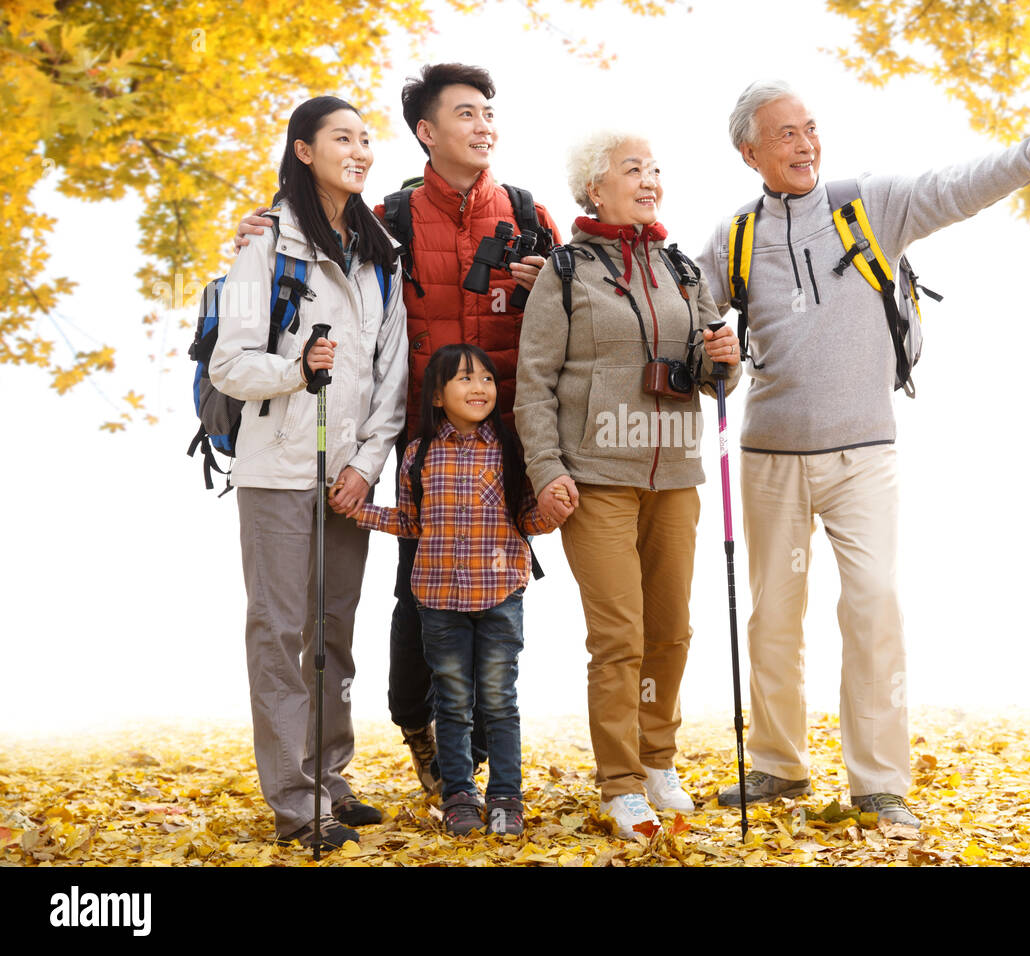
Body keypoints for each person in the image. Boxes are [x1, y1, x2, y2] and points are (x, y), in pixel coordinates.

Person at [698, 79, 1030, 826]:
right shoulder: (732, 238)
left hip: (863, 455)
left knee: (873, 605)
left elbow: (959, 187)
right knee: (772, 616)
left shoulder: (869, 205)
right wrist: (711, 354)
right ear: (749, 152)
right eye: (786, 134)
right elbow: (691, 325)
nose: (806, 144)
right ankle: (777, 765)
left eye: (810, 127)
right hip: (770, 454)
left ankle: (878, 782)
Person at [238, 64, 562, 796]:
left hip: (507, 438)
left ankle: (480, 750)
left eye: (488, 113)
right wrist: (259, 227)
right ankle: (421, 729)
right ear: (426, 131)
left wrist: (552, 286)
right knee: (421, 593)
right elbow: (317, 237)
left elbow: (573, 316)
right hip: (420, 443)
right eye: (465, 114)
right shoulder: (388, 220)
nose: (483, 126)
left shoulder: (528, 213)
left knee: (499, 593)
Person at [515, 130, 742, 838]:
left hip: (674, 475)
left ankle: (657, 761)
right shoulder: (565, 271)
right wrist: (547, 470)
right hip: (596, 479)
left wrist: (725, 361)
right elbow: (533, 383)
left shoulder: (682, 269)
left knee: (671, 631)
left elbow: (712, 376)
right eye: (632, 169)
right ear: (595, 187)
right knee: (620, 636)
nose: (649, 180)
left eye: (655, 169)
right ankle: (620, 783)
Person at [210, 95, 408, 851]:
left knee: (332, 633)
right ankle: (296, 802)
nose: (359, 150)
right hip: (277, 472)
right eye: (341, 138)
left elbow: (392, 378)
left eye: (365, 139)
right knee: (279, 632)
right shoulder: (264, 245)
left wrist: (366, 465)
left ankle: (330, 777)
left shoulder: (381, 254)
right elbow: (229, 365)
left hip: (346, 478)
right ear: (303, 150)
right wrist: (296, 371)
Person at [348, 345, 555, 836]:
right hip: (438, 599)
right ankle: (459, 794)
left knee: (499, 702)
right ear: (437, 396)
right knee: (453, 704)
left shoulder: (511, 450)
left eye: (487, 378)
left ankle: (506, 796)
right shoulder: (418, 454)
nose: (479, 387)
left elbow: (527, 518)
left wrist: (553, 514)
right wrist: (358, 511)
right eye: (465, 379)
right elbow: (410, 523)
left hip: (500, 595)